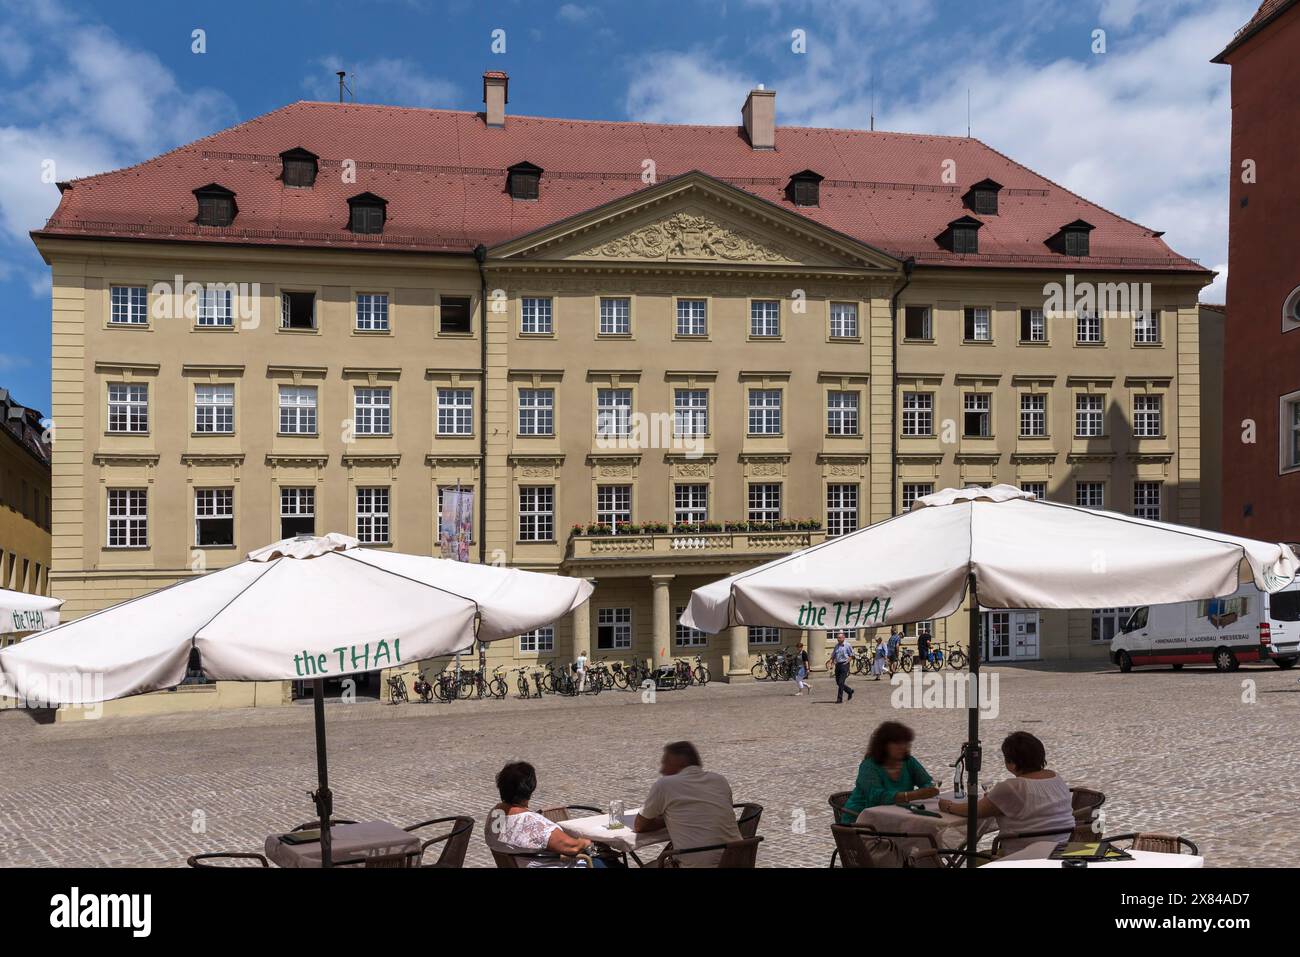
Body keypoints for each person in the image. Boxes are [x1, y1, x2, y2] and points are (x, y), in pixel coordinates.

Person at [937, 731, 1074, 855]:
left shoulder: (1012, 787)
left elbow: (975, 810)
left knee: (979, 858)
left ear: (1012, 763)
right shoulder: (1055, 777)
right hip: (1063, 850)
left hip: (1025, 855)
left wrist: (948, 806)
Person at [634, 741, 741, 867]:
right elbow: (712, 813)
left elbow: (640, 826)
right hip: (738, 859)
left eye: (665, 762)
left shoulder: (665, 785)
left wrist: (666, 820)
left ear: (679, 762)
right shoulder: (719, 780)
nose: (662, 769)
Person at [484, 761, 604, 867]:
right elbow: (572, 847)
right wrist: (587, 842)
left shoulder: (495, 814)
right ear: (531, 788)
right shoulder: (532, 824)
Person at [841, 721, 938, 822]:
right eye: (897, 743)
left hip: (898, 815)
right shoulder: (869, 766)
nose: (902, 747)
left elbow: (927, 781)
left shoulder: (908, 762)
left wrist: (929, 789)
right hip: (861, 819)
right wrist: (914, 795)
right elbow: (877, 797)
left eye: (905, 743)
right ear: (883, 745)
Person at [826, 633, 855, 702]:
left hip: (844, 665)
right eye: (837, 638)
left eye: (839, 638)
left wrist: (848, 661)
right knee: (838, 682)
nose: (838, 639)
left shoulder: (847, 645)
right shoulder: (836, 646)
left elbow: (852, 654)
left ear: (843, 638)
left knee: (841, 682)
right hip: (838, 665)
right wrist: (831, 662)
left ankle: (839, 699)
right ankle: (849, 691)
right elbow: (833, 655)